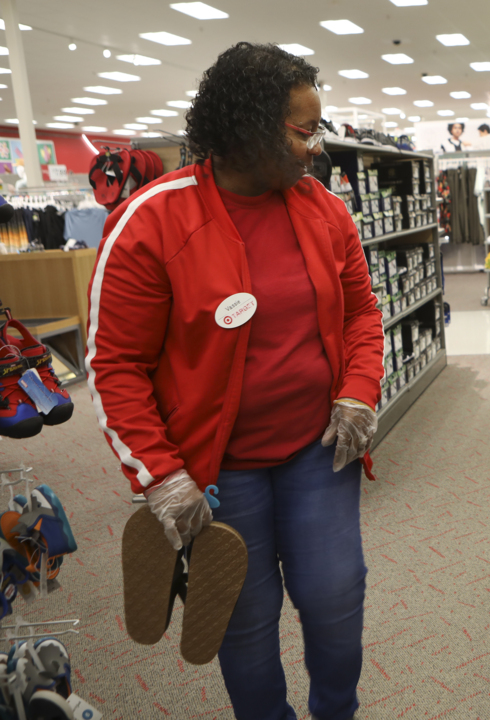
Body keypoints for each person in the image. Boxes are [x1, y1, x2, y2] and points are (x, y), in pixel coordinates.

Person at [86, 42, 383, 720]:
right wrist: (159, 475)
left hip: (318, 448)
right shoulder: (151, 222)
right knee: (244, 619)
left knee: (337, 594)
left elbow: (364, 314)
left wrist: (359, 390)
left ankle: (337, 711)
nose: (315, 148)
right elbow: (114, 366)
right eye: (303, 131)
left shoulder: (325, 211)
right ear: (248, 125)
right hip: (216, 470)